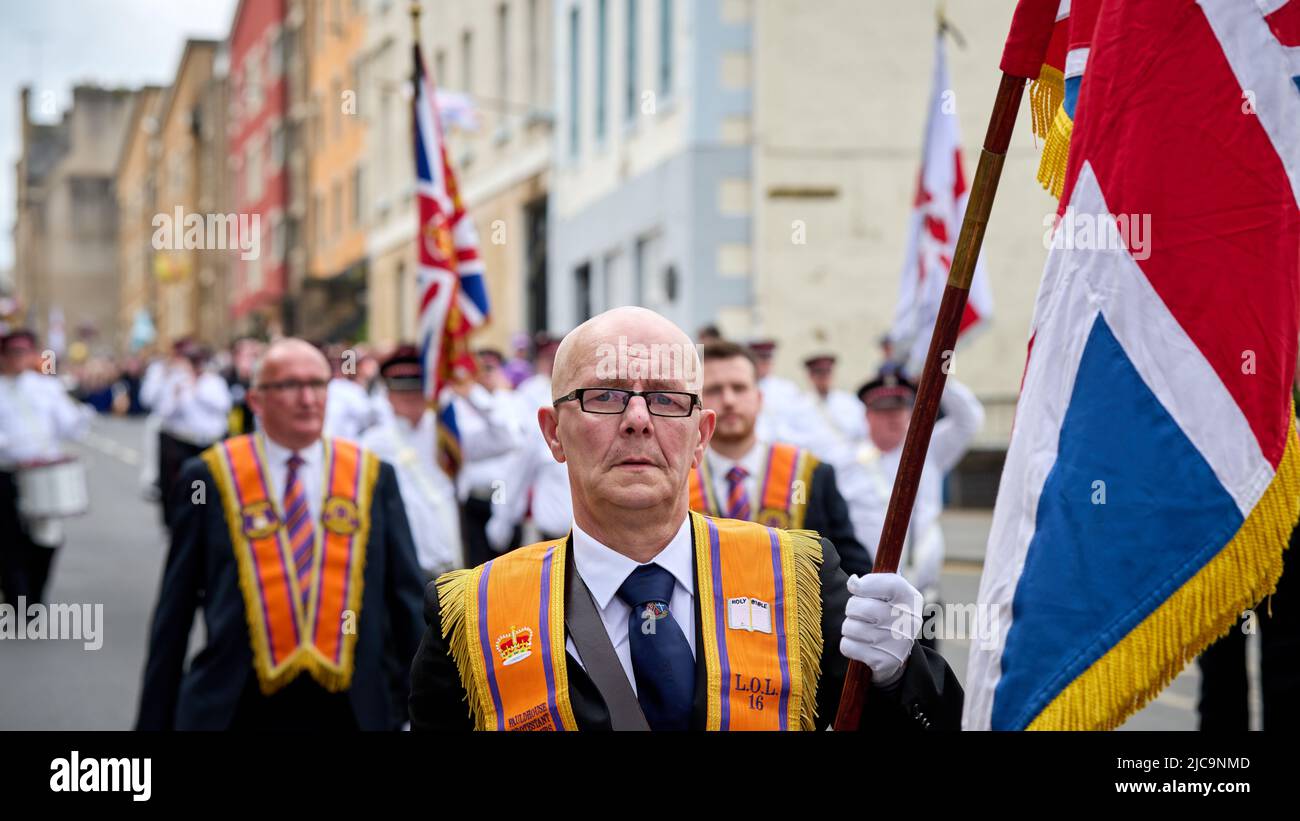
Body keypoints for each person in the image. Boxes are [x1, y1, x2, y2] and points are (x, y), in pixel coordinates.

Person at [409, 307, 962, 731]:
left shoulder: (799, 579)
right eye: (605, 395)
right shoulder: (474, 615)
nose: (637, 421)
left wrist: (897, 674)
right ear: (553, 431)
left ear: (701, 436)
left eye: (668, 400)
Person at [136, 338, 426, 730]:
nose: (308, 399)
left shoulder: (371, 476)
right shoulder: (210, 477)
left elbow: (404, 598)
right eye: (290, 386)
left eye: (318, 385)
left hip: (351, 706)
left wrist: (423, 711)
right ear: (256, 400)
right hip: (239, 703)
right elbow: (176, 609)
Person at [691, 341, 872, 578]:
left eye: (739, 388)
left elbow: (851, 567)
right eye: (714, 389)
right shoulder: (678, 479)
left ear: (759, 397)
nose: (729, 400)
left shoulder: (809, 474)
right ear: (697, 402)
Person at [834, 370, 983, 648]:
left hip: (923, 599)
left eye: (900, 408)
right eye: (882, 410)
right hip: (869, 603)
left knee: (926, 683)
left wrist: (940, 378)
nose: (893, 417)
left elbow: (969, 420)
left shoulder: (928, 449)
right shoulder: (845, 464)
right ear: (867, 416)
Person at [0, 329, 92, 604]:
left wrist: (81, 413)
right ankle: (18, 598)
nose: (20, 359)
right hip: (6, 472)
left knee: (47, 538)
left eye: (24, 353)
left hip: (42, 473)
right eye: (13, 353)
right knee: (8, 538)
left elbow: (69, 426)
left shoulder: (46, 387)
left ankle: (35, 595)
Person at [360, 346, 463, 579]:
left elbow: (505, 439)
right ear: (387, 394)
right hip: (402, 564)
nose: (410, 397)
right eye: (401, 391)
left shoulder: (446, 430)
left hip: (449, 557)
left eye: (416, 390)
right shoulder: (372, 442)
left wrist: (464, 392)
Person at [155, 342, 231, 527]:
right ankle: (181, 519)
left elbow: (222, 406)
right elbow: (165, 413)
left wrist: (197, 389)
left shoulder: (213, 382)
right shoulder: (177, 382)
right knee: (182, 483)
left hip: (209, 442)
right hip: (183, 442)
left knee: (202, 484)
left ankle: (200, 516)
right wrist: (176, 394)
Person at [802, 353, 868, 461]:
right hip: (817, 463)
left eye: (827, 373)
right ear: (810, 376)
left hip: (850, 461)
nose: (824, 378)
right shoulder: (800, 405)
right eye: (819, 373)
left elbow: (863, 430)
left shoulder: (849, 401)